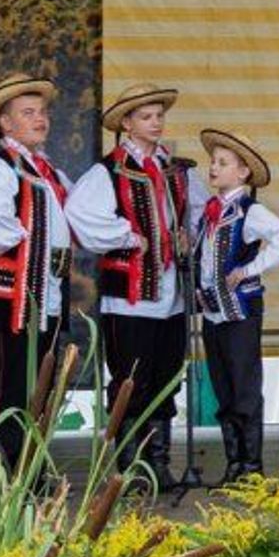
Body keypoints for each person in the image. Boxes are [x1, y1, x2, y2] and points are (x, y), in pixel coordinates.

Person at [67, 82, 205, 487]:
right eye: (146, 116)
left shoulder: (176, 169)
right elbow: (79, 214)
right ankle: (129, 469)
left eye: (159, 115)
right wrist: (127, 236)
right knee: (131, 378)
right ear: (126, 123)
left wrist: (187, 236)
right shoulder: (109, 170)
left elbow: (199, 212)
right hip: (130, 296)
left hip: (171, 293)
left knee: (165, 378)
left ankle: (157, 464)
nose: (156, 122)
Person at [0, 73, 74, 463]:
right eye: (28, 112)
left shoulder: (45, 170)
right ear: (5, 123)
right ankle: (1, 470)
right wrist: (12, 239)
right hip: (14, 296)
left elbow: (73, 215)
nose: (40, 118)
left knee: (38, 382)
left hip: (44, 290)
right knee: (10, 383)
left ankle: (27, 468)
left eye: (42, 112)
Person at [194, 129, 279, 480]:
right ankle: (234, 464)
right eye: (213, 161)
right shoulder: (211, 213)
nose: (214, 167)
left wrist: (250, 269)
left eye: (223, 163)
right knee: (224, 388)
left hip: (240, 313)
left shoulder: (249, 211)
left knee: (244, 388)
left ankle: (251, 467)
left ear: (243, 173)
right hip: (214, 313)